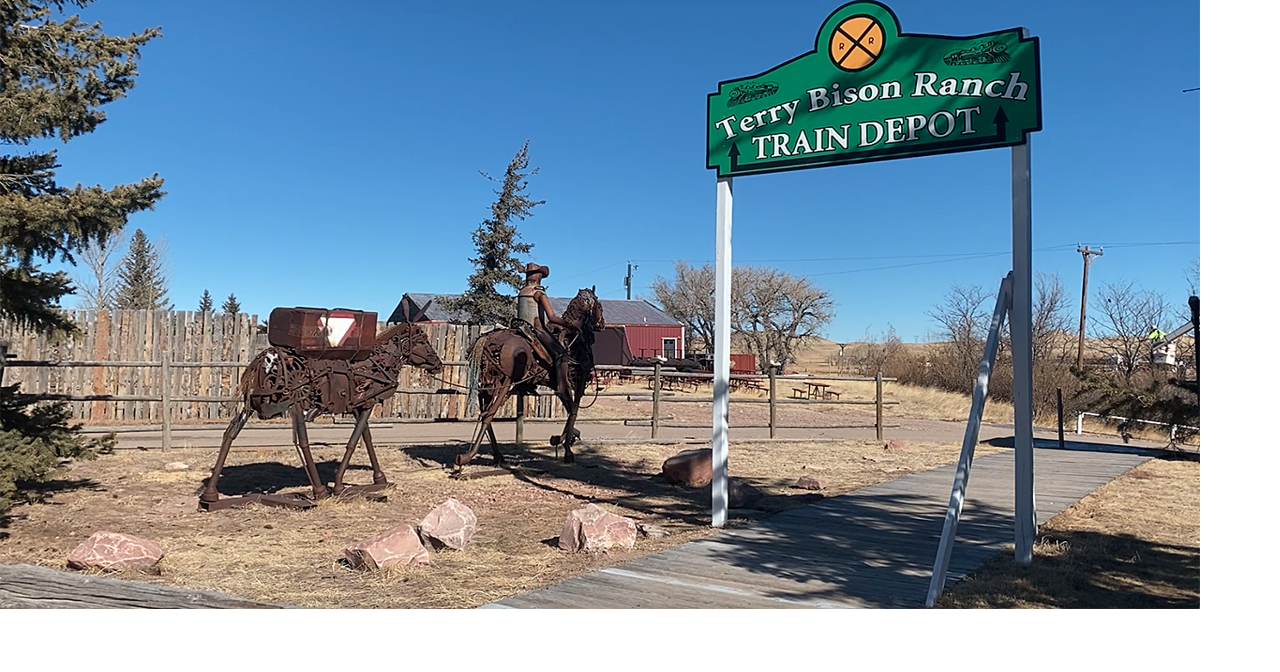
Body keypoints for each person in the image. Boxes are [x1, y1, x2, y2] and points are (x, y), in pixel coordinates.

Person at [515, 263, 577, 396]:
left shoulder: (523, 291)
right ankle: (561, 386)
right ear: (538, 276)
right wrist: (570, 326)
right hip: (536, 329)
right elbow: (552, 317)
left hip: (519, 327)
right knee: (562, 354)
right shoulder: (538, 293)